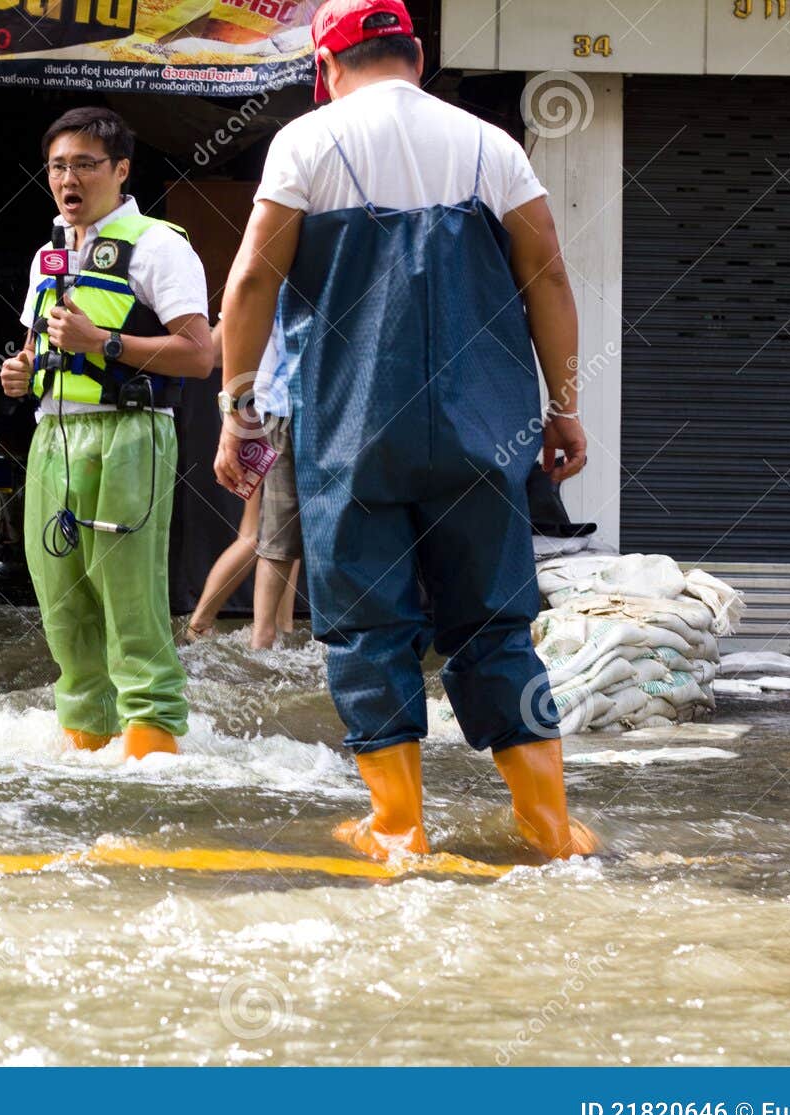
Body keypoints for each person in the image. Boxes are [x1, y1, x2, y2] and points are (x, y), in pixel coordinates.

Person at [216, 0, 596, 859]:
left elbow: (248, 288)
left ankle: (398, 827)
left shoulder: (306, 144)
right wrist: (563, 405)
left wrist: (240, 409)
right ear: (417, 55)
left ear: (325, 68)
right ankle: (548, 823)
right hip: (480, 432)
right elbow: (552, 279)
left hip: (355, 436)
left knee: (365, 624)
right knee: (495, 622)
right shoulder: (490, 145)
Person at [0, 107, 214, 758]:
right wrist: (22, 369)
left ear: (121, 171)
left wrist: (106, 343)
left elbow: (200, 355)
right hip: (52, 439)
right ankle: (87, 746)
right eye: (59, 165)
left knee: (129, 597)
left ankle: (154, 750)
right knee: (61, 600)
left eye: (86, 165)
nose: (69, 178)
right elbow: (36, 346)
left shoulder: (160, 245)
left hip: (132, 434)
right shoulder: (47, 255)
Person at [183, 320, 302, 650]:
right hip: (263, 416)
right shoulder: (264, 282)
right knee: (260, 535)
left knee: (285, 534)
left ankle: (282, 629)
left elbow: (214, 349)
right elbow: (213, 348)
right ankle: (200, 624)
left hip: (263, 412)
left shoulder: (272, 284)